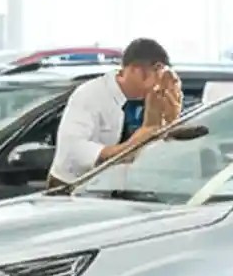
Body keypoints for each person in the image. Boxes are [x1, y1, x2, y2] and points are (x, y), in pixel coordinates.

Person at [47, 38, 183, 187]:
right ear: (135, 70)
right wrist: (132, 144)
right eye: (156, 71)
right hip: (71, 187)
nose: (158, 81)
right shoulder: (90, 95)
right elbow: (74, 150)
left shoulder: (152, 98)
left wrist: (170, 117)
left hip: (112, 187)